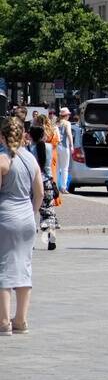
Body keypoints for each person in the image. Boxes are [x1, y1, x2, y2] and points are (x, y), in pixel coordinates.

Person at [0, 117, 43, 336]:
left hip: (5, 216)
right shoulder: (31, 159)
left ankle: (4, 321)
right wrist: (31, 212)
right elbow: (40, 194)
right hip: (26, 217)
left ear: (2, 137)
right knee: (24, 267)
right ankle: (21, 320)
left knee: (3, 268)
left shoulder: (3, 160)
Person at [27, 125, 59, 250]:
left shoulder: (27, 148)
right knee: (48, 211)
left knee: (31, 211)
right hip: (46, 181)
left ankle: (31, 241)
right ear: (42, 135)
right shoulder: (49, 147)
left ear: (31, 135)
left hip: (31, 182)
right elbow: (48, 168)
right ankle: (51, 239)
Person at [56, 108, 73, 193]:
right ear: (66, 116)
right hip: (64, 146)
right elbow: (69, 134)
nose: (69, 116)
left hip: (56, 147)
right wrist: (72, 145)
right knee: (65, 168)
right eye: (68, 115)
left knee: (57, 168)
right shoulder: (67, 123)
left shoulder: (56, 123)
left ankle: (55, 186)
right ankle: (63, 187)